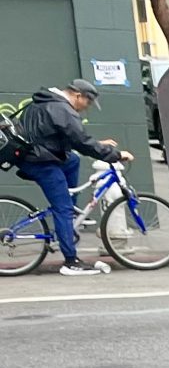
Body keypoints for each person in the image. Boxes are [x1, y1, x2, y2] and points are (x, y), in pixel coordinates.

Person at [16, 78, 129, 276]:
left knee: (73, 161)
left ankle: (70, 215)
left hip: (36, 155)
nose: (87, 108)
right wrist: (116, 155)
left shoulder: (46, 101)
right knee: (63, 208)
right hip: (41, 162)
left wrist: (95, 143)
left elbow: (54, 137)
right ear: (78, 95)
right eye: (88, 102)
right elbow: (81, 140)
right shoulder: (62, 109)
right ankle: (70, 261)